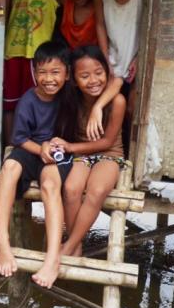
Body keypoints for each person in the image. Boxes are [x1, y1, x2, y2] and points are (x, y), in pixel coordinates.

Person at [0, 40, 72, 289]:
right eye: (42, 72)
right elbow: (18, 138)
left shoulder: (70, 98)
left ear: (67, 73)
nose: (48, 79)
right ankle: (2, 240)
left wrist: (54, 148)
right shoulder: (29, 99)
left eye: (55, 72)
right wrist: (41, 149)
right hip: (32, 149)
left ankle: (52, 258)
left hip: (58, 155)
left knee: (50, 185)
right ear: (34, 72)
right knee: (9, 168)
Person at [42, 46, 126, 258]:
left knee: (96, 191)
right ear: (74, 79)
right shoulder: (73, 99)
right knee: (71, 189)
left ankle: (70, 245)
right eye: (85, 76)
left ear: (107, 72)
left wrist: (71, 147)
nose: (93, 80)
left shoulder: (117, 102)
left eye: (99, 73)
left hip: (110, 155)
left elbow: (107, 142)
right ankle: (76, 245)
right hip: (82, 156)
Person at [2, 0, 61, 144]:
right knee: (11, 105)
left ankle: (35, 148)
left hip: (41, 56)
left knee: (39, 102)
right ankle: (10, 148)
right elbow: (3, 13)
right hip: (14, 52)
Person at [86, 0, 142, 143]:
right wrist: (104, 57)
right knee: (109, 103)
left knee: (133, 108)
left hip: (136, 53)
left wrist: (140, 56)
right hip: (113, 52)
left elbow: (152, 25)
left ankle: (129, 150)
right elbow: (100, 23)